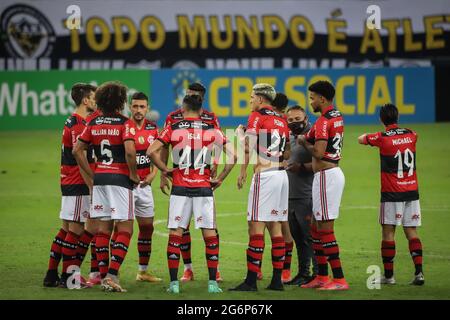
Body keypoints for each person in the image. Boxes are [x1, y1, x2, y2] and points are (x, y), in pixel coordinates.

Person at [147, 94, 236, 294]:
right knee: (209, 234)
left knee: (175, 234)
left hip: (180, 188)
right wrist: (220, 177)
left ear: (183, 108)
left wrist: (165, 169)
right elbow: (234, 156)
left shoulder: (173, 128)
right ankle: (213, 284)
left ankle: (174, 285)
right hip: (204, 188)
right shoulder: (212, 130)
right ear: (201, 110)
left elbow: (151, 151)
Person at [73, 81, 139, 293]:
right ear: (121, 101)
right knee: (126, 227)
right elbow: (130, 151)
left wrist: (92, 175)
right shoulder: (125, 123)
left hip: (100, 179)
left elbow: (77, 150)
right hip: (120, 180)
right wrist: (134, 174)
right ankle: (112, 275)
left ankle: (103, 277)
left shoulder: (93, 122)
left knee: (103, 229)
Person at [230, 83, 290, 292]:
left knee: (256, 226)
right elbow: (288, 151)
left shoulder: (257, 116)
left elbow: (248, 145)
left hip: (265, 176)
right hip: (282, 175)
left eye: (252, 97)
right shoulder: (282, 119)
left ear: (261, 99)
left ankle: (250, 281)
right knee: (275, 226)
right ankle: (276, 281)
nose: (250, 101)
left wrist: (239, 134)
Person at [161, 82, 223, 282]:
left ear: (202, 98)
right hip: (181, 174)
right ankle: (188, 268)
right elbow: (163, 146)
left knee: (210, 224)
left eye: (195, 95)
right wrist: (163, 172)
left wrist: (215, 163)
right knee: (183, 226)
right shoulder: (173, 117)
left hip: (203, 175)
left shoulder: (211, 118)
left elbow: (219, 143)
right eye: (189, 94)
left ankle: (216, 269)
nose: (192, 97)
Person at [358, 103, 424, 285]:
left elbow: (361, 139)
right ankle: (419, 274)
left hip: (392, 193)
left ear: (381, 119)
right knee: (411, 230)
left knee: (388, 234)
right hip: (412, 191)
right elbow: (414, 137)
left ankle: (389, 277)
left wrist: (372, 137)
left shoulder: (382, 137)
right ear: (398, 117)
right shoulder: (411, 134)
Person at [43, 83, 97, 289]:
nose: (95, 101)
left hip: (70, 181)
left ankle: (51, 274)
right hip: (77, 182)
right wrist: (91, 183)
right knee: (75, 230)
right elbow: (79, 155)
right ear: (85, 100)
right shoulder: (78, 124)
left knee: (65, 230)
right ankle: (69, 278)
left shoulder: (76, 121)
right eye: (93, 98)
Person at [297, 80, 349, 290]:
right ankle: (321, 277)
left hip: (327, 176)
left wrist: (303, 143)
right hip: (328, 174)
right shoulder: (335, 117)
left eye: (312, 98)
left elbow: (318, 152)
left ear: (322, 98)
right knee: (315, 228)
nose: (310, 101)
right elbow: (313, 136)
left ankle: (339, 279)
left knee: (325, 229)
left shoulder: (322, 122)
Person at [128, 92, 162, 282]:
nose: (139, 110)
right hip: (126, 186)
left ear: (147, 108)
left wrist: (154, 174)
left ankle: (142, 271)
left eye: (142, 107)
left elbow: (156, 154)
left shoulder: (153, 129)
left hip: (145, 186)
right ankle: (107, 272)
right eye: (135, 106)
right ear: (130, 107)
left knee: (147, 228)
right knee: (121, 229)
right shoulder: (125, 127)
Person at [285, 105, 318, 286]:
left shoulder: (312, 136)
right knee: (298, 237)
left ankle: (318, 273)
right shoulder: (289, 136)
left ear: (306, 119)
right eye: (290, 120)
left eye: (298, 119)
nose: (294, 123)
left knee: (309, 236)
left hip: (306, 194)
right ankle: (304, 273)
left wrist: (302, 167)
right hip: (289, 195)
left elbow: (323, 162)